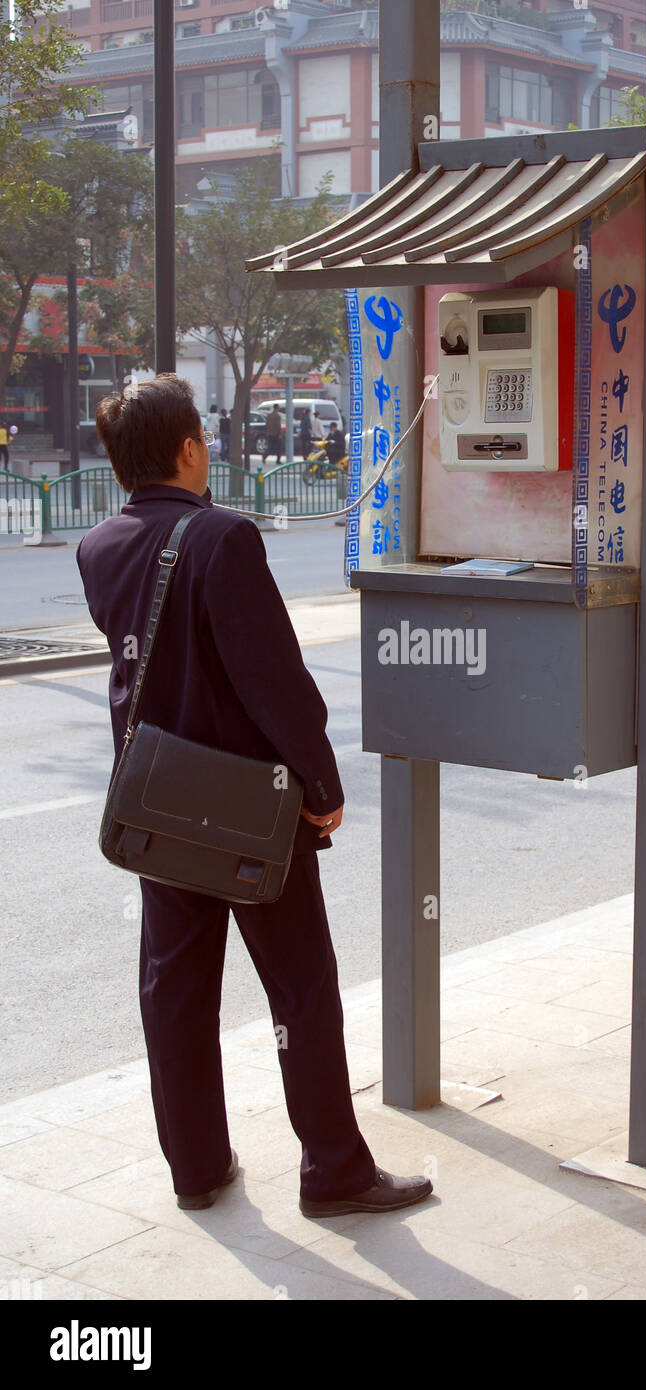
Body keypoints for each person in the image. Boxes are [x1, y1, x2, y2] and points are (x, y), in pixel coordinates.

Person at [76, 373, 433, 1218]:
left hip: (156, 807)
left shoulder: (97, 547)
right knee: (301, 988)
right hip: (249, 812)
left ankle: (197, 1168)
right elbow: (273, 680)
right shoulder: (222, 539)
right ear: (191, 449)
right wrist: (321, 783)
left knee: (176, 990)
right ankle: (333, 1171)